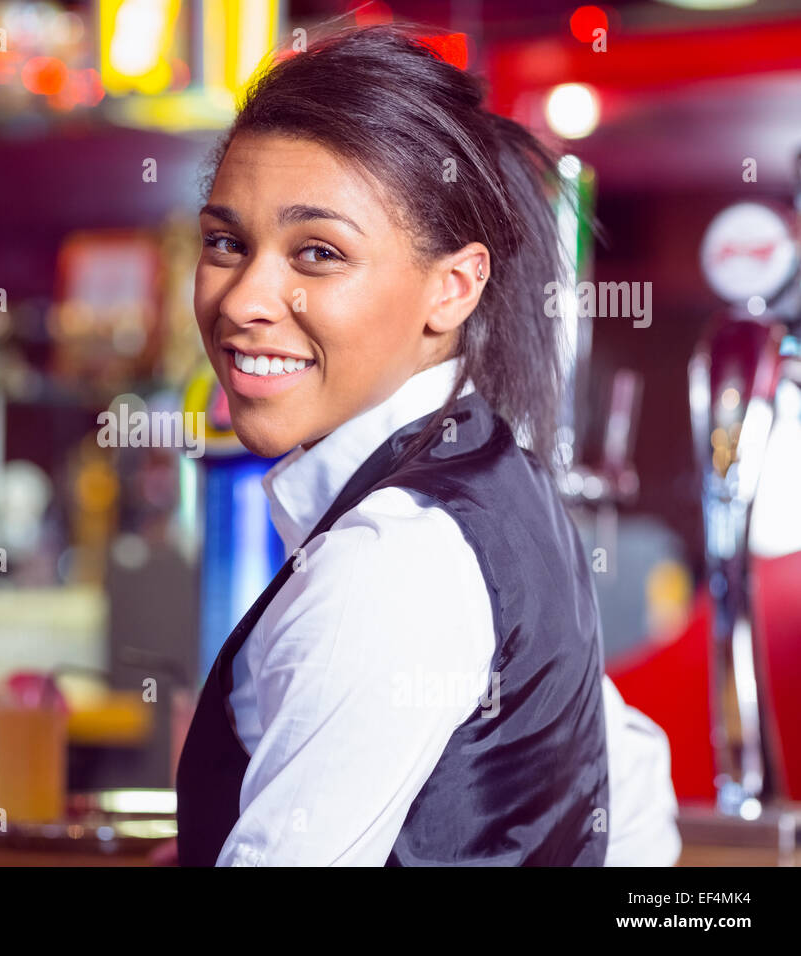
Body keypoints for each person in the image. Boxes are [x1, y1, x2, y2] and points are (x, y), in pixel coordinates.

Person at [171, 22, 681, 866]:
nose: (244, 300)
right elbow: (633, 787)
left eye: (319, 252)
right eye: (227, 242)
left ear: (453, 287)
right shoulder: (493, 485)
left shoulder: (389, 563)